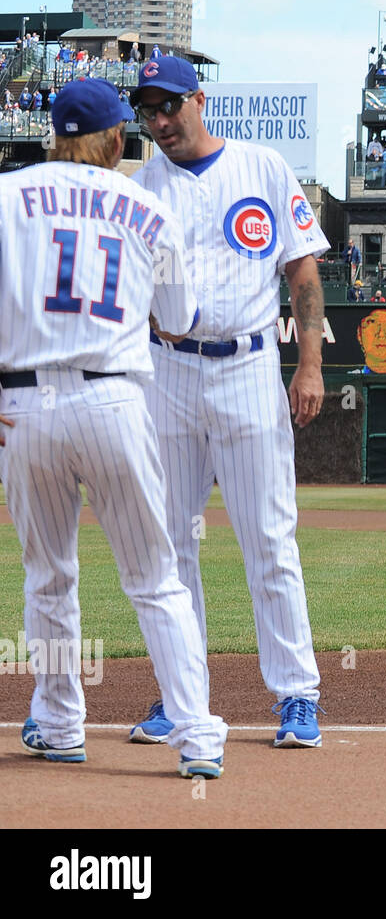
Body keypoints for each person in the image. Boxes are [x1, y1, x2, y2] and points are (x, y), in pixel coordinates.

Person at [1, 79, 227, 778]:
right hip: (114, 401)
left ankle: (62, 722)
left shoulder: (8, 197)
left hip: (25, 407)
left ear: (54, 135)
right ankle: (198, 738)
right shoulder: (148, 209)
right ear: (114, 139)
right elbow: (181, 317)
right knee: (156, 579)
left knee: (48, 579)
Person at [126, 57, 328, 749]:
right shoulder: (141, 187)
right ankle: (182, 700)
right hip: (167, 372)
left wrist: (309, 366)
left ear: (198, 100)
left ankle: (297, 694)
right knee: (169, 544)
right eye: (147, 112)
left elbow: (302, 268)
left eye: (169, 107)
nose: (159, 122)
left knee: (268, 539)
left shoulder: (263, 166)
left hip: (247, 365)